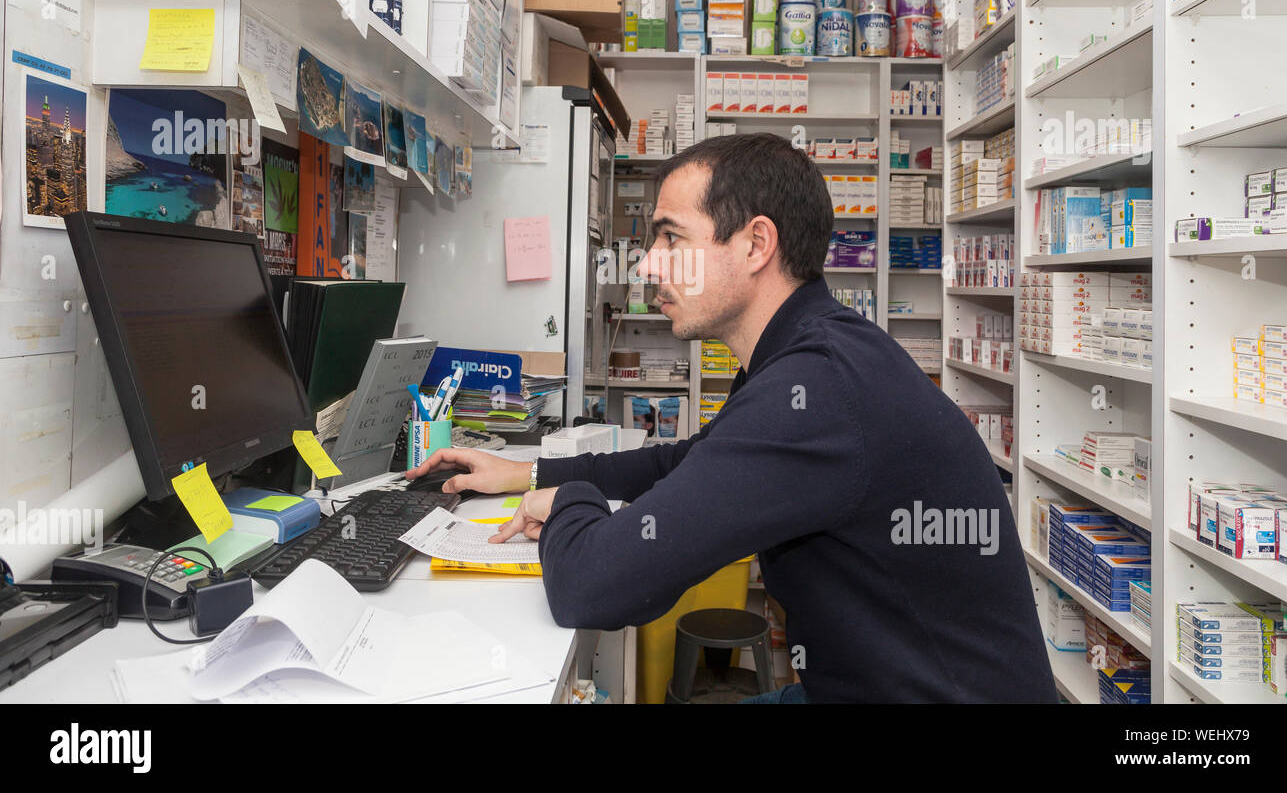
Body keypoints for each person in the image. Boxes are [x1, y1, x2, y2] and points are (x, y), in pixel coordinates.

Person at [407, 132, 1057, 703]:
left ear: (756, 245)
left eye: (671, 238)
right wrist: (526, 470)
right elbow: (686, 462)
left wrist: (566, 498)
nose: (648, 264)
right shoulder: (808, 357)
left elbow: (595, 588)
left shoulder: (818, 387)